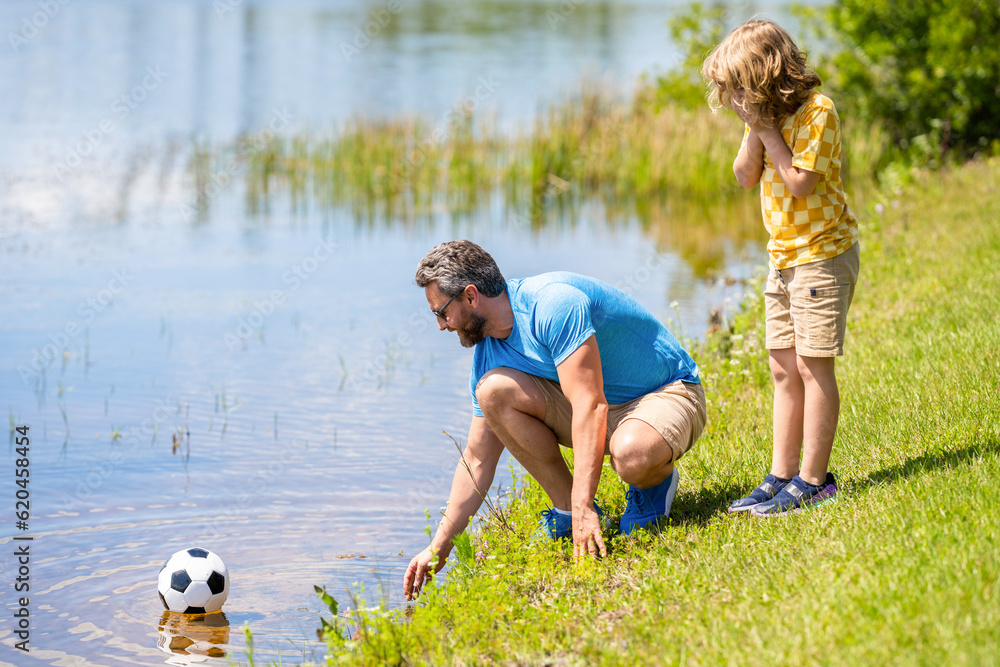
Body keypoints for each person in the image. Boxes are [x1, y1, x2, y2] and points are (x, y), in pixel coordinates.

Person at [403, 241, 706, 600]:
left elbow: (590, 405)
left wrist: (585, 504)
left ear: (470, 296)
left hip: (666, 392)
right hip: (602, 409)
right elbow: (478, 458)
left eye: (442, 312)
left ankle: (651, 485)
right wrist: (439, 547)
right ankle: (566, 512)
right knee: (492, 391)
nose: (441, 325)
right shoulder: (488, 352)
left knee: (632, 455)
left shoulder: (553, 304)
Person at [702, 19, 860, 516]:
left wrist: (767, 130)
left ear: (764, 77)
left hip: (821, 254)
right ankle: (781, 474)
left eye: (738, 89)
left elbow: (799, 183)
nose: (733, 100)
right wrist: (756, 128)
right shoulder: (761, 122)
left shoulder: (817, 111)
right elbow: (744, 176)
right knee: (782, 367)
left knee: (813, 367)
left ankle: (815, 480)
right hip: (783, 257)